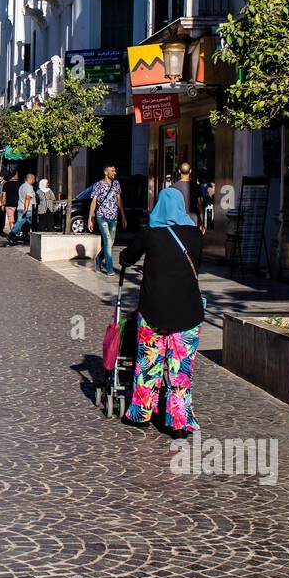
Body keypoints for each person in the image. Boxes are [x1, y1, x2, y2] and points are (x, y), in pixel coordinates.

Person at [118, 187, 204, 436]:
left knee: (148, 362)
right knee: (181, 370)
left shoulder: (150, 234)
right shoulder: (195, 235)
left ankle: (141, 413)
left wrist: (124, 260)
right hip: (188, 313)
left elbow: (128, 256)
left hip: (154, 310)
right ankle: (178, 421)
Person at [89, 165, 126, 275]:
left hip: (113, 218)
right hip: (102, 216)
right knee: (108, 241)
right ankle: (109, 269)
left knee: (110, 243)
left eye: (115, 170)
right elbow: (93, 202)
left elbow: (119, 200)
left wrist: (123, 216)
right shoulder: (98, 185)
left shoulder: (116, 184)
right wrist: (90, 219)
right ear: (106, 172)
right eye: (112, 171)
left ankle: (98, 259)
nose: (115, 173)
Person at [10, 172, 36, 244]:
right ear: (30, 179)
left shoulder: (22, 186)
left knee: (22, 223)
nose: (34, 180)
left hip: (20, 207)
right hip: (28, 209)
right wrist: (26, 208)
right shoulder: (29, 187)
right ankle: (12, 235)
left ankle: (25, 236)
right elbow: (27, 198)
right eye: (34, 179)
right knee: (32, 224)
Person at [1, 171, 20, 238]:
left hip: (9, 204)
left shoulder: (6, 184)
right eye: (17, 175)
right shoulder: (19, 184)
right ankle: (15, 232)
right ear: (14, 176)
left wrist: (3, 204)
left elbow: (4, 195)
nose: (18, 176)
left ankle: (12, 233)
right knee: (17, 219)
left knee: (11, 220)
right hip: (18, 204)